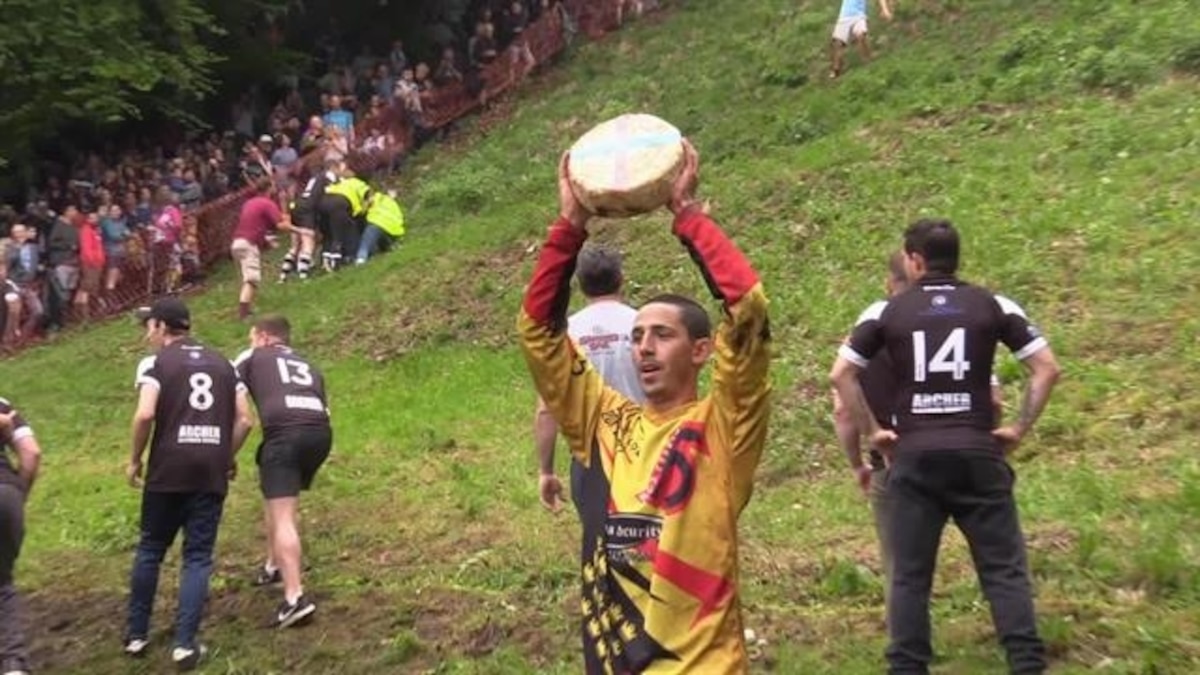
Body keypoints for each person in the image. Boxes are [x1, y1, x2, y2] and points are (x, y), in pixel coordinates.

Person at [518, 140, 771, 673]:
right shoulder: (607, 421)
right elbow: (539, 336)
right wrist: (569, 226)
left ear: (701, 350)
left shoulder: (724, 427)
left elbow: (746, 308)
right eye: (637, 337)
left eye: (662, 335)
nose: (643, 348)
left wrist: (688, 215)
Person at [829, 219, 1061, 674]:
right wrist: (1017, 428)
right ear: (955, 257)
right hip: (978, 453)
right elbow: (1046, 368)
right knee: (1004, 572)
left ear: (914, 260)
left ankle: (908, 667)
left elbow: (841, 375)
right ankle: (1028, 663)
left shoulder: (887, 312)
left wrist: (875, 432)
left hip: (913, 459)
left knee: (910, 578)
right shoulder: (992, 304)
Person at [831, 251, 1005, 621]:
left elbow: (843, 410)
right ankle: (1009, 628)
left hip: (895, 462)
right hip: (967, 455)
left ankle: (907, 650)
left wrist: (858, 463)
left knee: (903, 572)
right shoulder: (960, 324)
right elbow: (992, 398)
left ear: (889, 283)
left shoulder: (863, 336)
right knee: (996, 558)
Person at [124, 297, 253, 671]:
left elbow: (146, 412)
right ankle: (185, 644)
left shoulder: (155, 363)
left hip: (168, 468)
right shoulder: (225, 363)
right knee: (197, 557)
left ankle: (136, 635)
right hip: (209, 470)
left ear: (163, 327)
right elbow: (245, 420)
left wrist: (135, 458)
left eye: (150, 325)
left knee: (151, 548)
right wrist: (225, 456)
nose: (148, 332)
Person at [233, 315, 332, 628]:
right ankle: (273, 563)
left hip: (285, 435)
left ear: (263, 336)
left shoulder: (252, 357)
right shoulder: (307, 364)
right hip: (320, 434)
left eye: (252, 337)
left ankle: (294, 597)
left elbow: (226, 391)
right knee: (278, 497)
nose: (250, 343)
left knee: (284, 513)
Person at [533, 244, 644, 516]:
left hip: (591, 456)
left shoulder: (565, 335)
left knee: (601, 546)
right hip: (647, 447)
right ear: (621, 278)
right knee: (655, 543)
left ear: (580, 286)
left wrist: (546, 470)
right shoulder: (646, 325)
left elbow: (547, 409)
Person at [0, 399, 42, 675]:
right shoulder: (3, 404)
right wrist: (18, 493)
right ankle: (13, 664)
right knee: (2, 582)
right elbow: (31, 453)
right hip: (6, 495)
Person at [231, 177, 292, 320]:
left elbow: (253, 226)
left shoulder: (249, 203)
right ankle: (244, 314)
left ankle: (247, 308)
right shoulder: (267, 203)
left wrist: (265, 242)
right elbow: (281, 225)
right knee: (252, 279)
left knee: (248, 278)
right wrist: (297, 229)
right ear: (269, 188)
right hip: (248, 243)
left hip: (236, 242)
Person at [281, 161, 340, 283]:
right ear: (333, 168)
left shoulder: (313, 179)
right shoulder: (327, 175)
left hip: (298, 205)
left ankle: (283, 276)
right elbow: (336, 185)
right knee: (308, 241)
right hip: (308, 209)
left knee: (295, 245)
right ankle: (303, 275)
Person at [318, 172, 371, 272]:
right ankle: (347, 257)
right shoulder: (355, 182)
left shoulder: (336, 184)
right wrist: (366, 207)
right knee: (347, 230)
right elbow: (367, 194)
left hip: (322, 203)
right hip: (340, 203)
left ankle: (325, 260)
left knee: (329, 233)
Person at [830, 0, 893, 79]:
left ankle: (868, 60)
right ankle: (836, 70)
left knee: (861, 35)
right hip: (844, 17)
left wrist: (885, 10)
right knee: (838, 43)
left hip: (859, 16)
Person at [355, 191, 405, 265]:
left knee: (365, 242)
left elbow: (361, 211)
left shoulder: (373, 199)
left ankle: (361, 259)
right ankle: (391, 246)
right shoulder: (388, 200)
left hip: (377, 222)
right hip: (394, 228)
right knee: (381, 234)